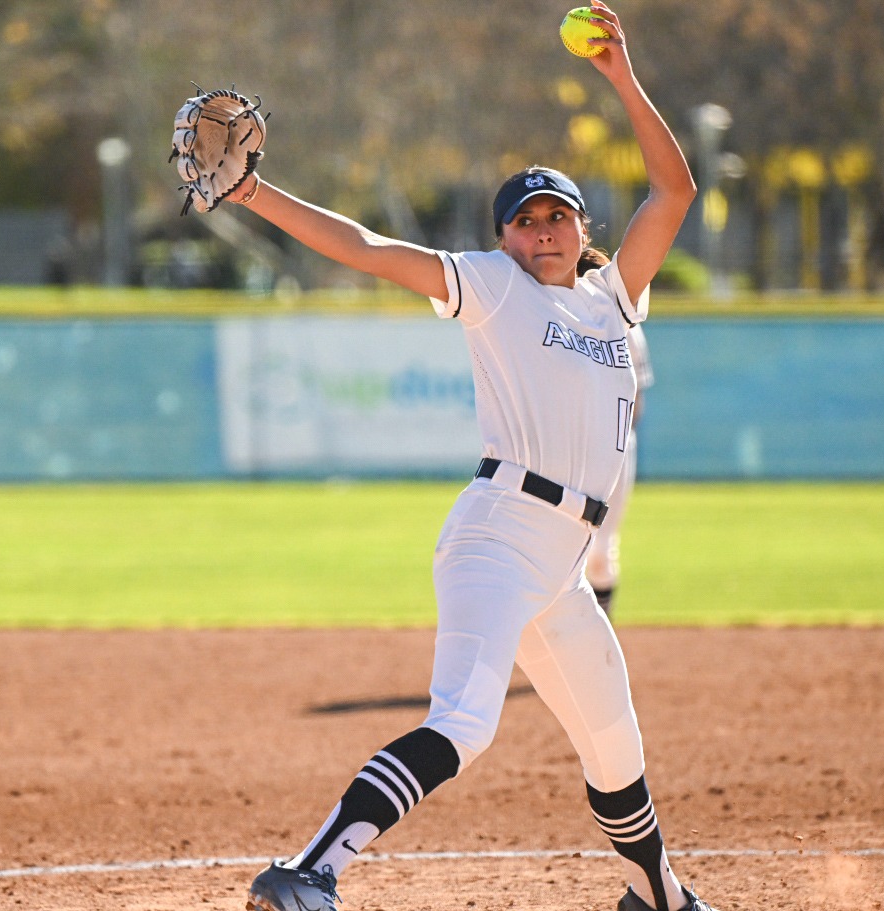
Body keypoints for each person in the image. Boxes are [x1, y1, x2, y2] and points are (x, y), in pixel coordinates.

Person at [228, 5, 711, 910]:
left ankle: (662, 897)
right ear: (503, 240)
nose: (542, 232)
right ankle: (309, 871)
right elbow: (369, 249)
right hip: (498, 537)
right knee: (464, 723)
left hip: (561, 567)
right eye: (524, 221)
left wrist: (622, 80)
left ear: (578, 226)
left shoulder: (614, 300)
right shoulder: (491, 289)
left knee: (616, 743)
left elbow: (675, 192)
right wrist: (255, 193)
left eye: (556, 216)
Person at [587, 322, 653, 616]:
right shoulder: (555, 310)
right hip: (567, 447)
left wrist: (615, 444)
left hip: (617, 446)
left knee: (601, 553)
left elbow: (638, 399)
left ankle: (601, 636)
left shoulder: (627, 326)